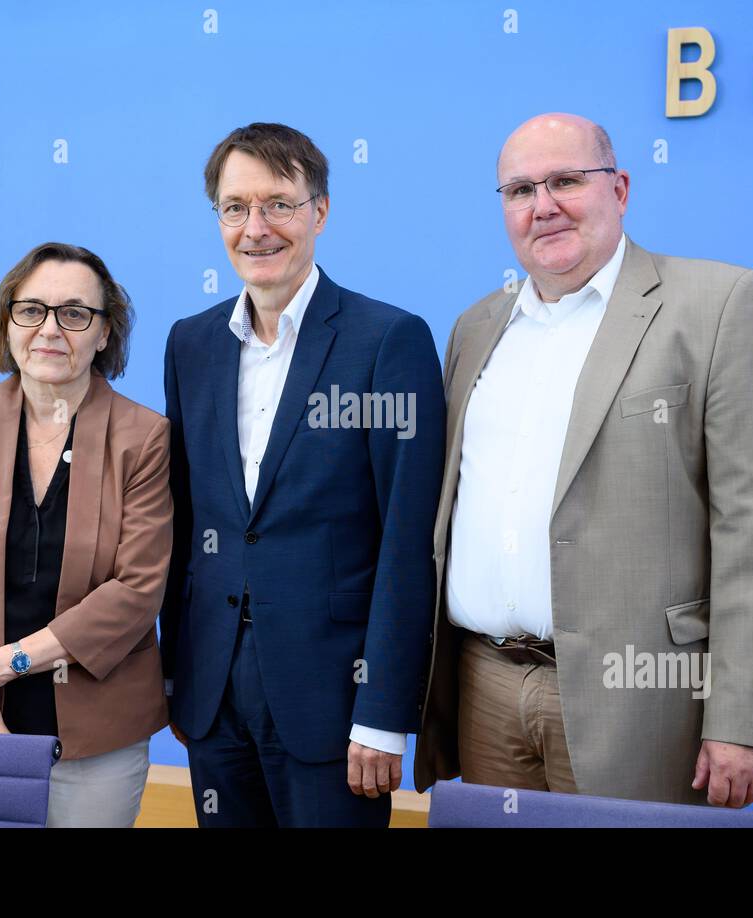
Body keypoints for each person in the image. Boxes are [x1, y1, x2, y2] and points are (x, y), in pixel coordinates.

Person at [415, 113, 753, 807]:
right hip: (484, 685)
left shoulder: (717, 307)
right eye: (519, 190)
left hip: (641, 699)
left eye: (566, 180)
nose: (543, 206)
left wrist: (747, 720)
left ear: (620, 188)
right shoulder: (475, 328)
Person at [159, 122, 445, 827]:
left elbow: (408, 540)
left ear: (319, 211)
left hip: (336, 704)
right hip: (213, 695)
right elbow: (186, 521)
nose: (256, 228)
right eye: (235, 207)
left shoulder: (387, 341)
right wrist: (176, 677)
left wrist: (382, 713)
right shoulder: (190, 344)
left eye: (279, 204)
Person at [0, 242, 173, 827]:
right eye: (31, 310)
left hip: (98, 725)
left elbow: (136, 591)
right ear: (8, 323)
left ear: (104, 333)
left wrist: (6, 662)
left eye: (75, 313)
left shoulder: (144, 436)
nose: (50, 329)